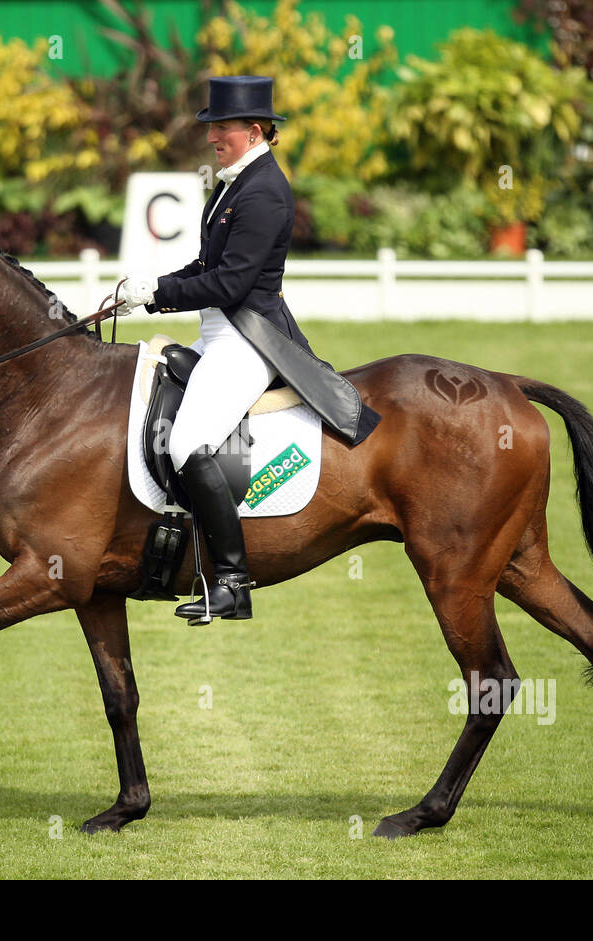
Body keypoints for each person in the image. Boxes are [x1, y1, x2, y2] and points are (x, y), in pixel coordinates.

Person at [118, 75, 380, 625]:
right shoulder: (233, 184)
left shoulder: (263, 190)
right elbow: (206, 269)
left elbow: (231, 285)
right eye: (211, 127)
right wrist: (148, 289)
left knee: (188, 440)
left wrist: (161, 295)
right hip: (219, 333)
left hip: (248, 341)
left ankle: (233, 582)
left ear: (253, 130)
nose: (212, 136)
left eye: (221, 128)